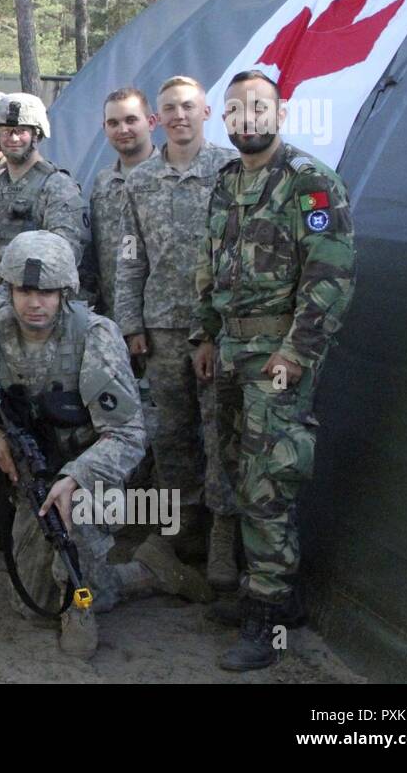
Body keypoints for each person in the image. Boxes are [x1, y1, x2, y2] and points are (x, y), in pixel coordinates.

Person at [0, 231, 214, 658]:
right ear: (8, 290)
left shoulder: (95, 336)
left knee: (74, 548)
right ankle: (149, 570)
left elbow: (128, 434)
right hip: (34, 477)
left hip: (91, 478)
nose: (35, 303)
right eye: (24, 291)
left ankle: (82, 602)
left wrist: (75, 478)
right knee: (33, 604)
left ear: (65, 293)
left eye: (47, 293)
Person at [192, 70, 355, 671]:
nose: (248, 118)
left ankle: (267, 618)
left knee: (269, 482)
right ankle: (274, 594)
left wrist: (295, 354)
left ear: (280, 114)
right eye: (236, 109)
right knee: (240, 473)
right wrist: (203, 334)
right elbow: (208, 265)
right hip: (231, 353)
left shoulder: (310, 182)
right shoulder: (226, 181)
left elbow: (330, 278)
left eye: (259, 107)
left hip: (278, 359)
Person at [113, 76, 238, 585]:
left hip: (218, 328)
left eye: (189, 106)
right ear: (158, 119)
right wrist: (130, 323)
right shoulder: (140, 180)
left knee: (220, 430)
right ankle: (182, 527)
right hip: (161, 327)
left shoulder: (230, 171)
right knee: (171, 434)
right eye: (170, 108)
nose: (180, 115)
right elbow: (130, 257)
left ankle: (223, 534)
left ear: (206, 112)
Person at [0, 92, 90, 283]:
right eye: (7, 131)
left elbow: (65, 250)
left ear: (36, 135)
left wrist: (2, 256)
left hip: (37, 294)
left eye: (21, 131)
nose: (13, 138)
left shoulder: (58, 186)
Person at [88, 87, 157, 320]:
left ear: (151, 122)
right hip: (112, 315)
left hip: (161, 318)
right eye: (113, 123)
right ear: (104, 128)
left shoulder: (170, 177)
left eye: (131, 120)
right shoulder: (103, 182)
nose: (123, 129)